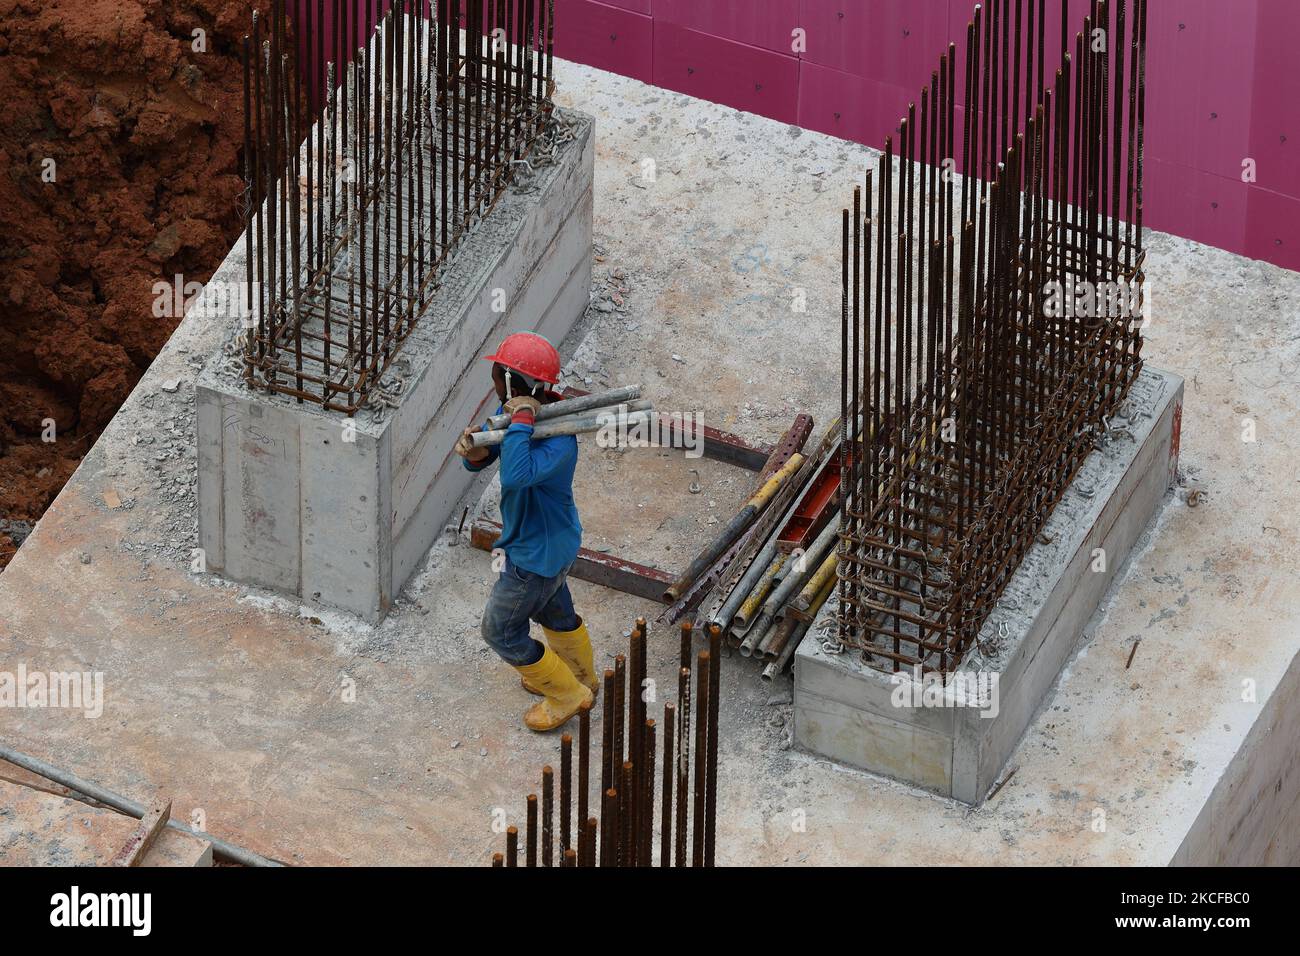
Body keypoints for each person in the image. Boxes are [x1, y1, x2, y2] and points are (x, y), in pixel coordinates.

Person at [456, 332, 596, 731]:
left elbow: (517, 475)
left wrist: (520, 418)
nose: (495, 382)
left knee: (500, 631)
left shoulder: (558, 438)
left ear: (513, 381)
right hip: (555, 546)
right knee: (555, 610)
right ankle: (581, 678)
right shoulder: (518, 418)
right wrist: (475, 451)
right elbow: (491, 454)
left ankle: (568, 695)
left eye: (498, 373)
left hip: (535, 556)